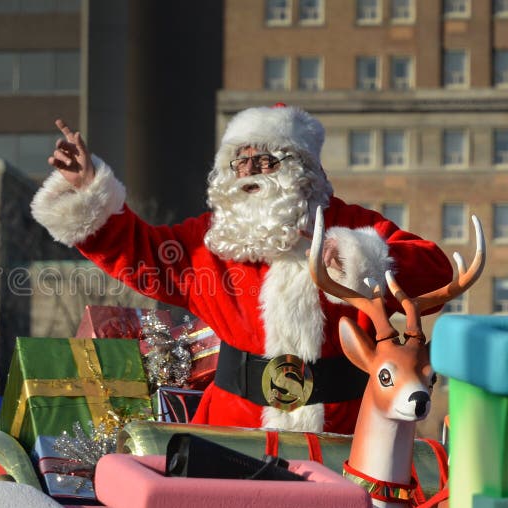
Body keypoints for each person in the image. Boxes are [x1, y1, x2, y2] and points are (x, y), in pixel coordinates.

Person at [30, 105, 452, 434]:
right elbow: (142, 254)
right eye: (239, 162)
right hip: (232, 433)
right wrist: (87, 189)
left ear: (301, 168)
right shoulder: (213, 239)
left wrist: (360, 258)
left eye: (265, 161)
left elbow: (436, 270)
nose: (249, 172)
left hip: (344, 432)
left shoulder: (352, 224)